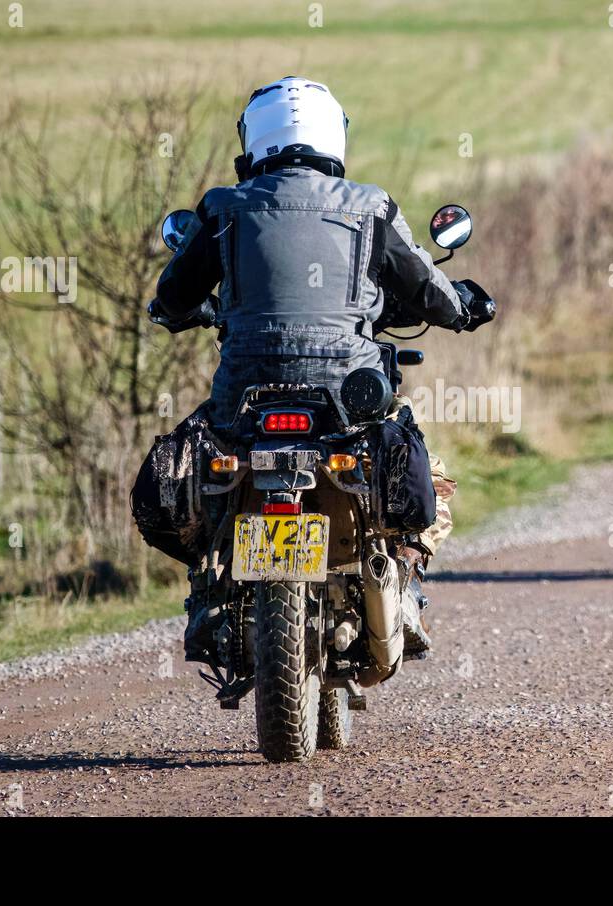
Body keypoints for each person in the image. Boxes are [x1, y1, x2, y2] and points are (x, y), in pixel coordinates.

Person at [150, 76, 493, 657]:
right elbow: (425, 287)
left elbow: (173, 297)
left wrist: (191, 310)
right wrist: (464, 307)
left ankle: (209, 591)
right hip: (347, 392)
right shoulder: (370, 205)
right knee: (422, 473)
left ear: (253, 140)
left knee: (194, 473)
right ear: (334, 135)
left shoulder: (223, 208)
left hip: (245, 399)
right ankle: (403, 590)